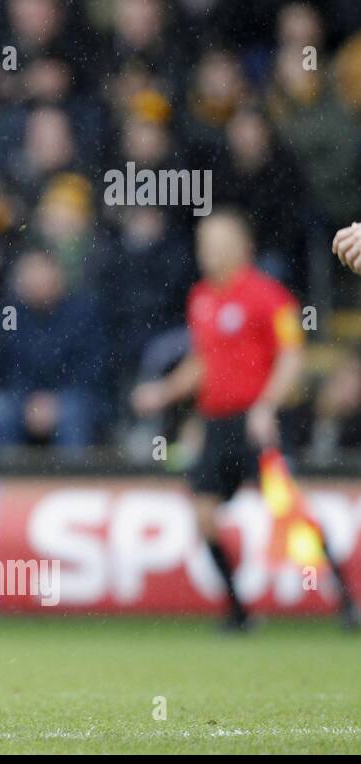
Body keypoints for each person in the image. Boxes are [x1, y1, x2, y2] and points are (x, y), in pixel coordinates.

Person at [132, 211, 357, 630]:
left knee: (290, 513)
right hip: (216, 424)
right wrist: (165, 392)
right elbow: (203, 363)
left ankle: (347, 603)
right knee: (202, 515)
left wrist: (267, 405)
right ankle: (238, 611)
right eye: (203, 243)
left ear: (242, 246)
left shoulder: (269, 296)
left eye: (216, 242)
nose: (208, 252)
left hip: (258, 424)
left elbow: (292, 355)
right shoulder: (200, 297)